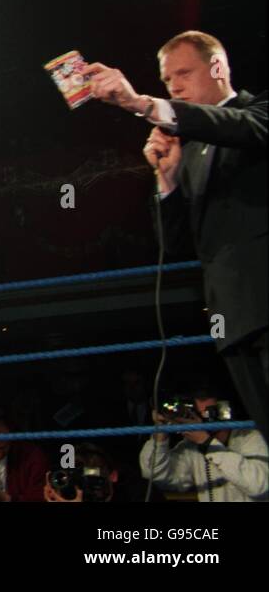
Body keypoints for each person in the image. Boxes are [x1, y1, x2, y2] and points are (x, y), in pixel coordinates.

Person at [84, 32, 267, 437]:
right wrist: (166, 181)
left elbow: (240, 127)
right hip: (232, 318)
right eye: (167, 82)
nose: (175, 86)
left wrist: (142, 104)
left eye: (183, 73)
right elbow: (178, 246)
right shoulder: (191, 150)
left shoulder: (257, 112)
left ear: (217, 68)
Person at [138, 391, 268, 501]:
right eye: (196, 412)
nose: (200, 418)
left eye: (209, 413)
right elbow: (154, 474)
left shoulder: (250, 437)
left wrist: (206, 442)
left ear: (224, 411)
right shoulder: (191, 447)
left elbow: (259, 485)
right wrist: (161, 433)